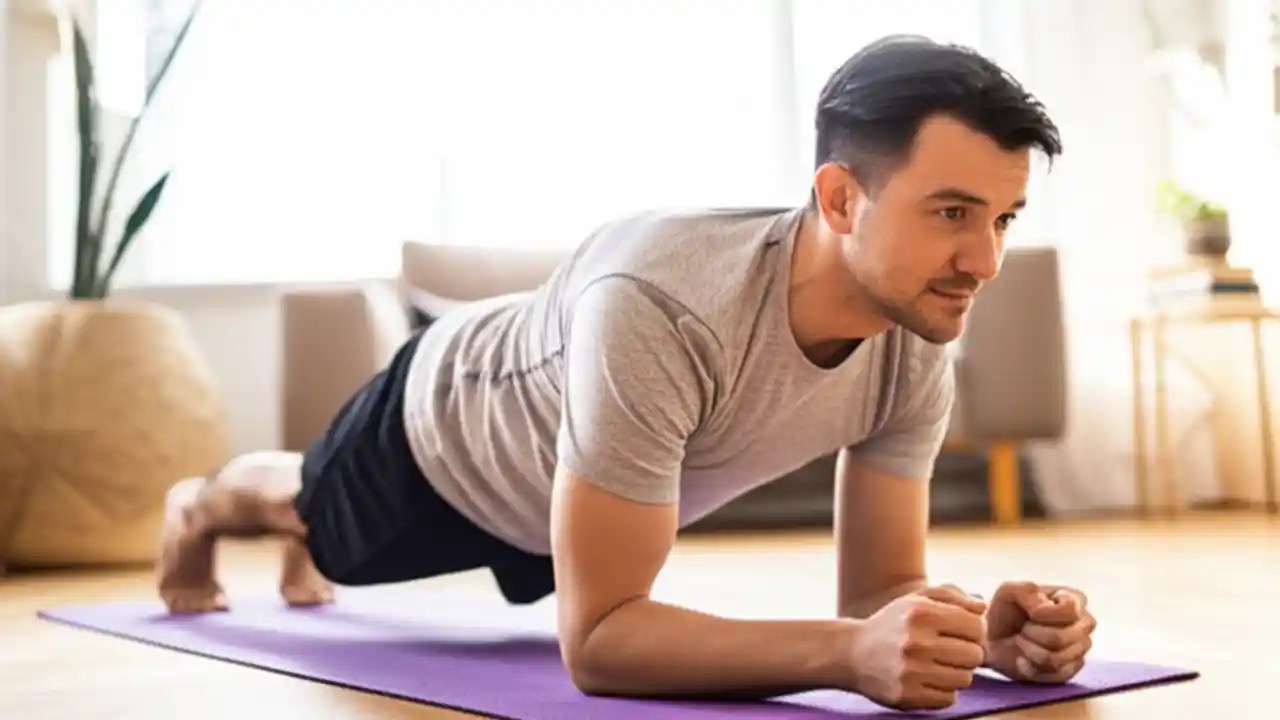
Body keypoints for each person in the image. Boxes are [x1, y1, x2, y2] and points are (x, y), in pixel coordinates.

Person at [156, 35, 1096, 712]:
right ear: (842, 199)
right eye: (951, 213)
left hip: (578, 495)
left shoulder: (915, 330)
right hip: (449, 436)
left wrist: (975, 637)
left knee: (322, 527)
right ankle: (201, 506)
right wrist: (849, 655)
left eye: (1004, 219)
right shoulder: (664, 303)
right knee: (314, 520)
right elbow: (600, 642)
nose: (985, 260)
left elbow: (881, 586)